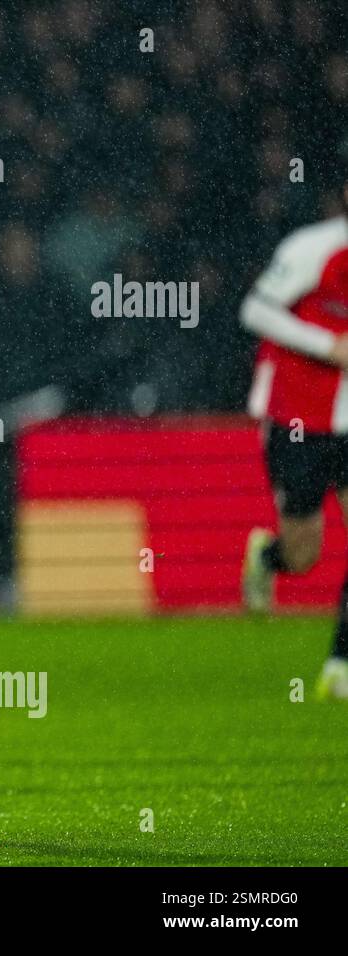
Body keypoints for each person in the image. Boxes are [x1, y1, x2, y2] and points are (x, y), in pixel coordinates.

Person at [240, 174, 348, 701]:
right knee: (304, 556)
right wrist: (327, 344)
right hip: (298, 417)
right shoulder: (314, 248)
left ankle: (340, 665)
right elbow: (255, 309)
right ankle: (269, 556)